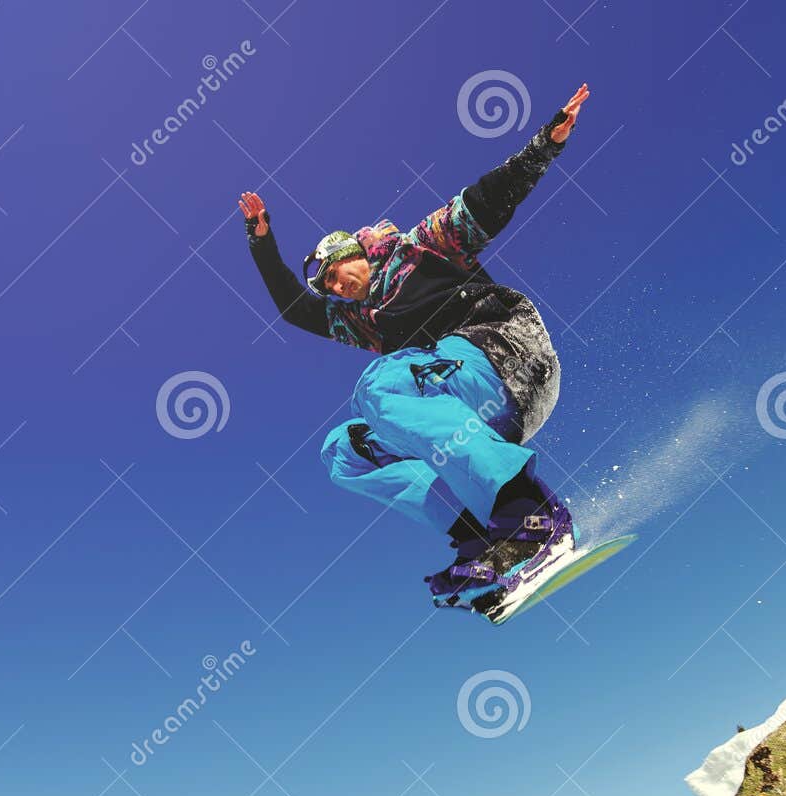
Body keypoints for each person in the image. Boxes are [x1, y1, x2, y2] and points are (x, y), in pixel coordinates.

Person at [238, 84, 590, 619]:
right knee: (343, 449)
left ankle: (531, 515)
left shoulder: (420, 246)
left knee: (379, 385)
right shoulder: (362, 322)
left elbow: (486, 201)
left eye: (336, 274)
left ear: (355, 251)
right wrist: (262, 243)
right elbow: (294, 309)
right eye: (330, 288)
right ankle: (483, 537)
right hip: (469, 409)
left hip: (507, 352)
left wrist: (545, 142)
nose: (337, 289)